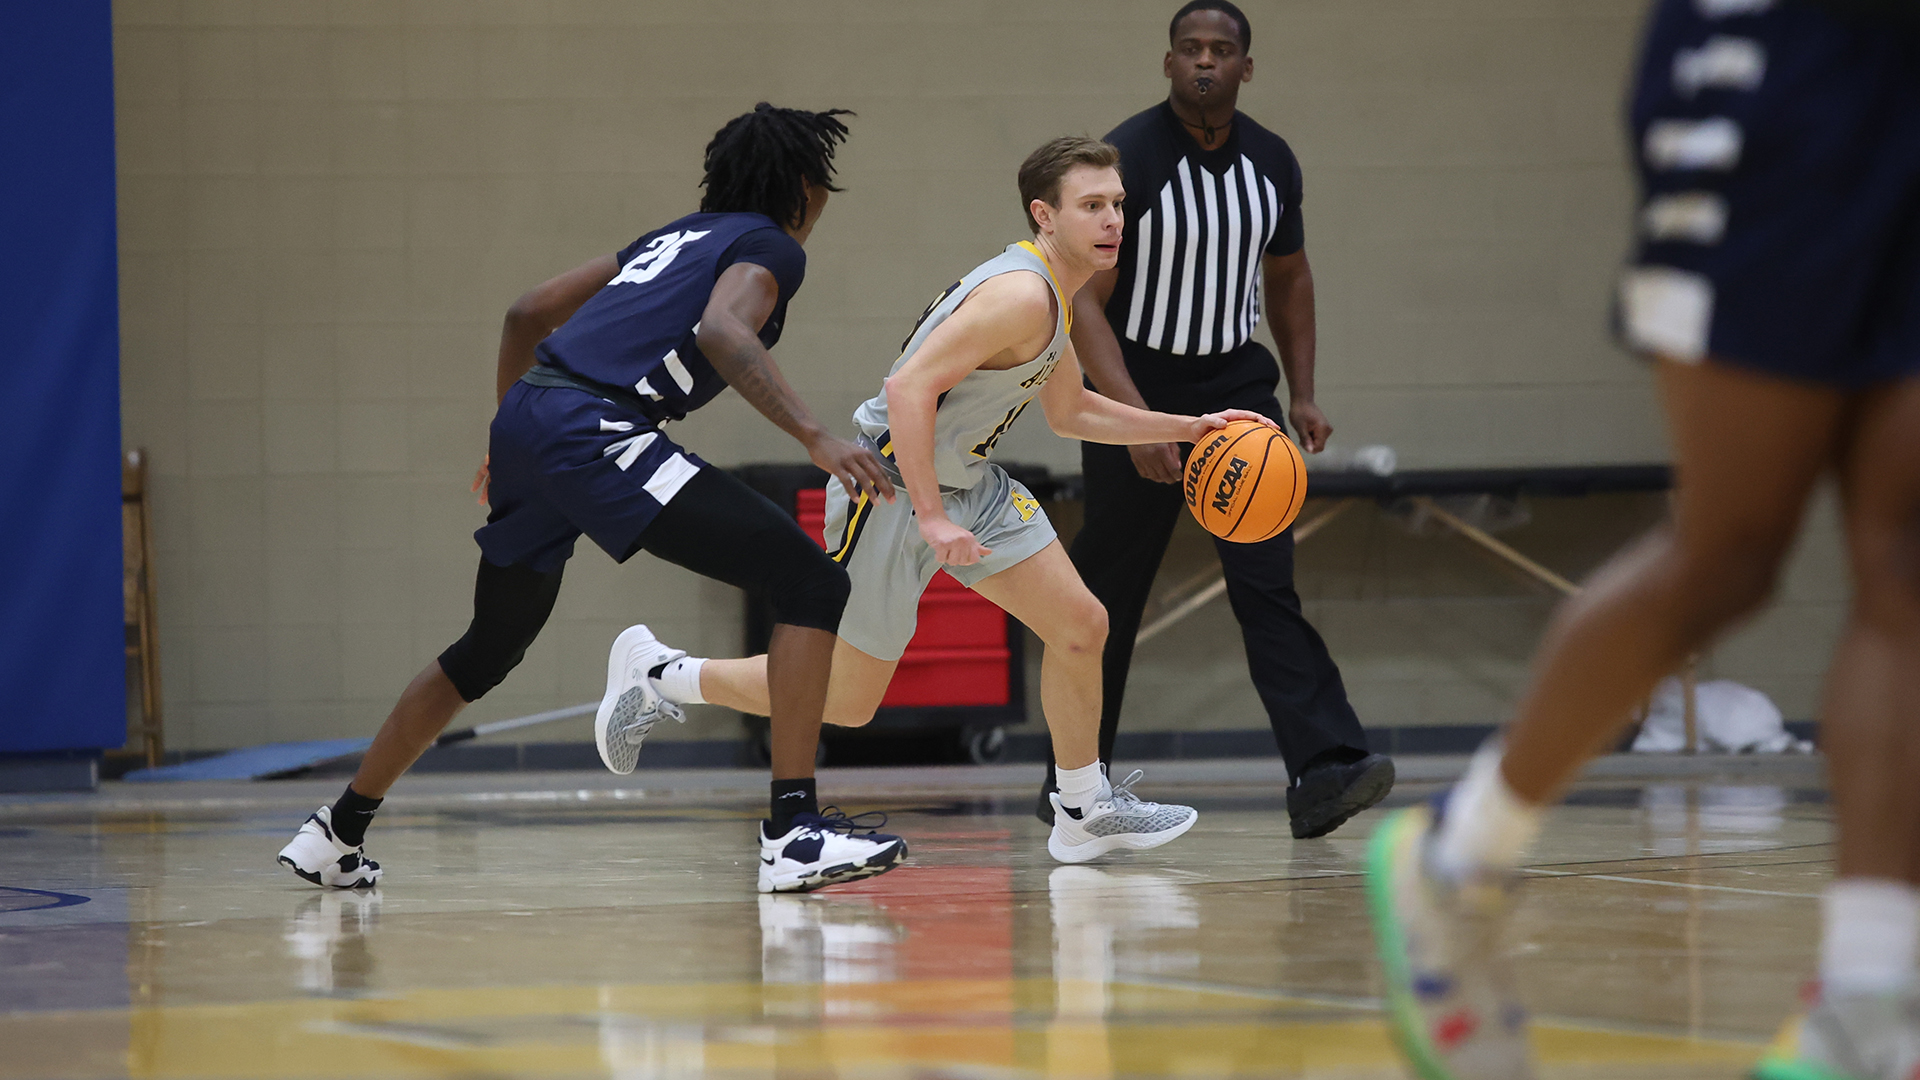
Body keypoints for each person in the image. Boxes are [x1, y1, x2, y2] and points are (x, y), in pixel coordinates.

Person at [1367, 2, 1920, 1077]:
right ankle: (1458, 858)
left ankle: (1871, 997)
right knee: (1731, 555)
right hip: (1785, 57)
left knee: (1906, 561)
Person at [277, 103, 908, 896]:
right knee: (811, 581)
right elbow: (723, 331)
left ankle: (335, 832)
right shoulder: (768, 244)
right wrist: (816, 436)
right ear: (804, 188)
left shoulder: (672, 237)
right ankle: (793, 832)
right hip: (594, 427)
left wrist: (511, 430)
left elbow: (527, 312)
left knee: (487, 646)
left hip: (535, 418)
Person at [600, 135, 1280, 864]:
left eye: (1117, 204)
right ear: (1044, 215)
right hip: (891, 485)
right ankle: (661, 674)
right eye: (1092, 206)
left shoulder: (1058, 292)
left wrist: (1195, 427)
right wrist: (928, 514)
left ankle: (1082, 806)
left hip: (972, 484)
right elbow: (906, 389)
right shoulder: (1020, 294)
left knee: (1082, 624)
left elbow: (1070, 412)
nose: (1113, 219)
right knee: (851, 701)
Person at [1048, 0, 1392, 840]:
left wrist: (1303, 392)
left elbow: (1292, 279)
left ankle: (1324, 770)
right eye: (1191, 49)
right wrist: (1138, 421)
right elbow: (1083, 305)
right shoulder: (1126, 159)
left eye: (1222, 50)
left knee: (1267, 587)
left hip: (1238, 394)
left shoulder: (1272, 162)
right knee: (1102, 603)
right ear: (1168, 63)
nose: (1206, 61)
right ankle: (1074, 790)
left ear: (1246, 66)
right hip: (1136, 384)